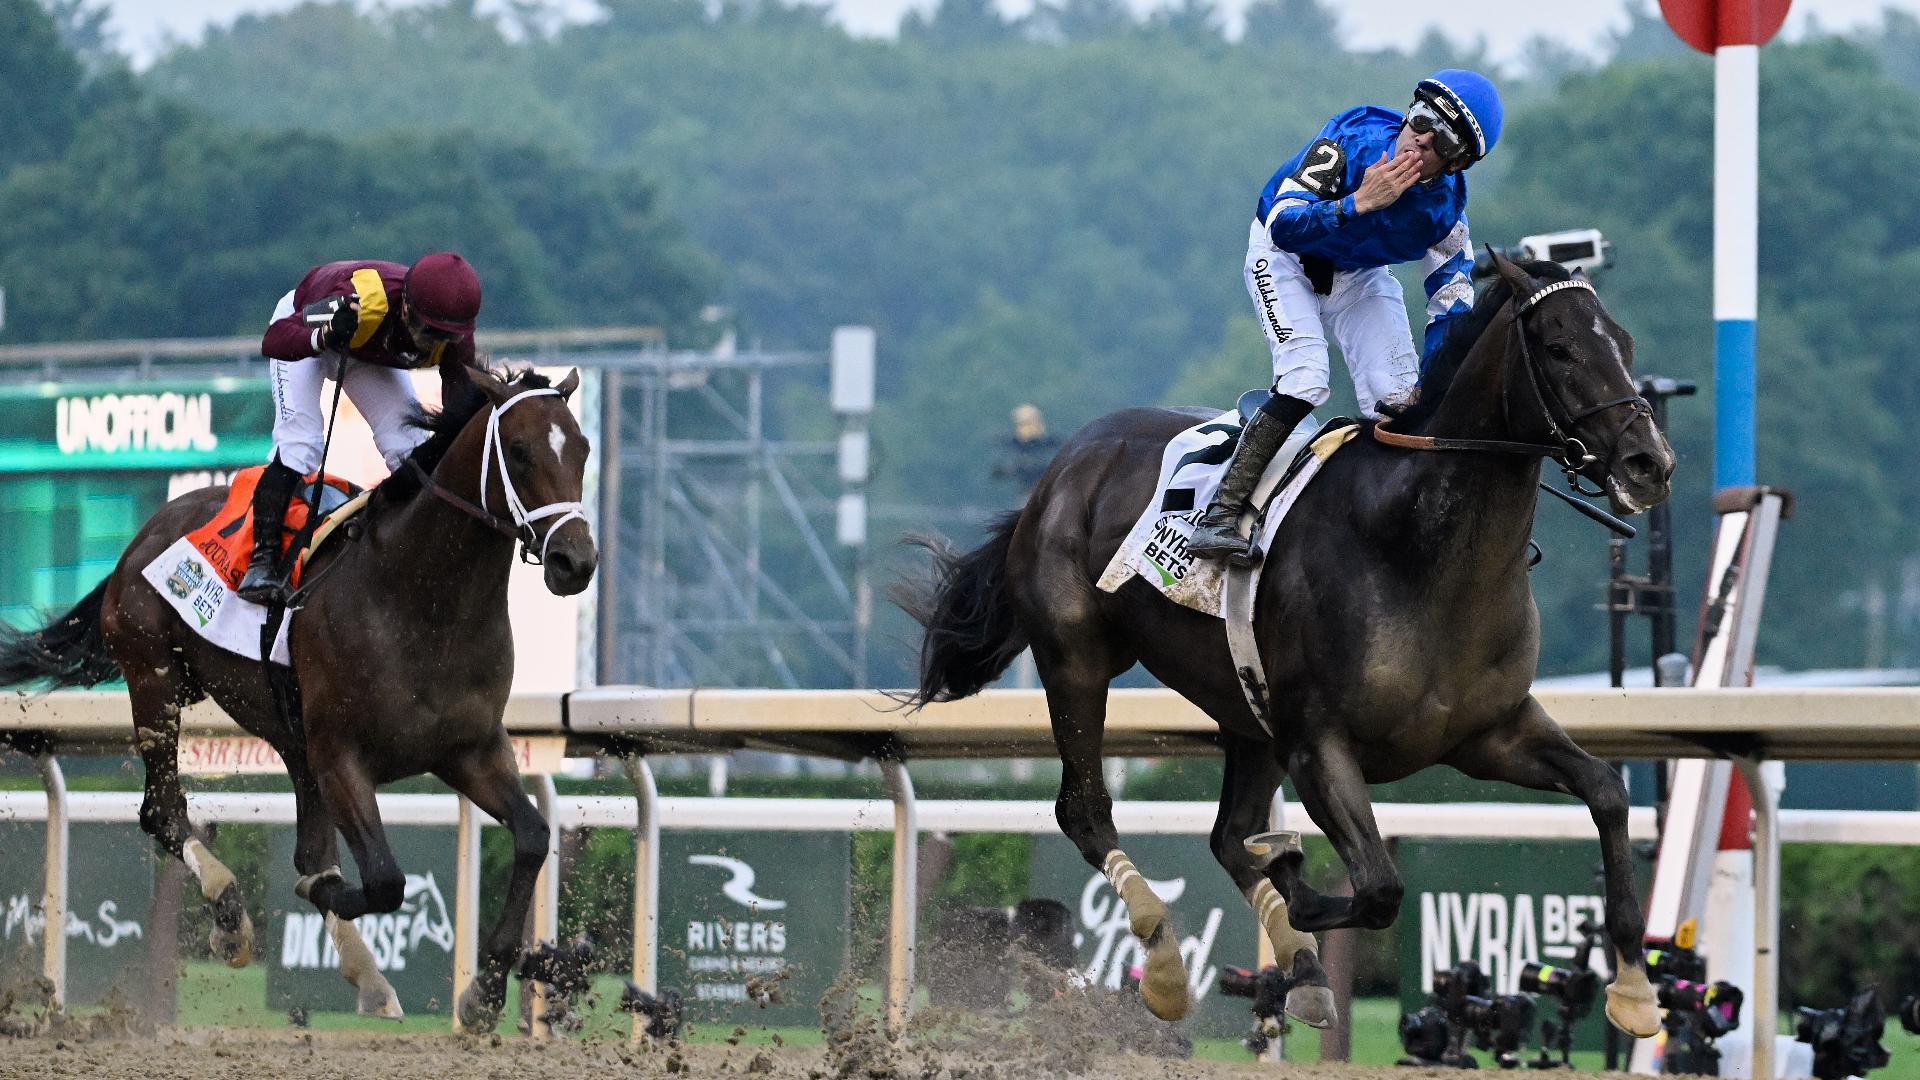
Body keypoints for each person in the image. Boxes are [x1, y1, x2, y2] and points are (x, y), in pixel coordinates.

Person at [1188, 69, 1503, 562]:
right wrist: (1357, 203)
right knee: (1306, 379)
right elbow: (1285, 226)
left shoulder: (1446, 214)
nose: (1418, 139)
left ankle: (1389, 521)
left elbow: (1451, 305)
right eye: (1420, 119)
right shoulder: (1354, 137)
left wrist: (1435, 384)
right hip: (1283, 256)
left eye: (1437, 139)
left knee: (1399, 403)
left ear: (1455, 162)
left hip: (1358, 274)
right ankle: (1221, 514)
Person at [237, 252, 483, 603]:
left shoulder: (456, 336)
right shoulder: (358, 299)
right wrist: (323, 335)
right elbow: (274, 338)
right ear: (406, 309)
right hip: (313, 335)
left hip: (367, 352)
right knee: (301, 443)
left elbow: (459, 410)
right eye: (428, 332)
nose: (433, 345)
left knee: (412, 449)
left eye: (446, 337)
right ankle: (261, 562)